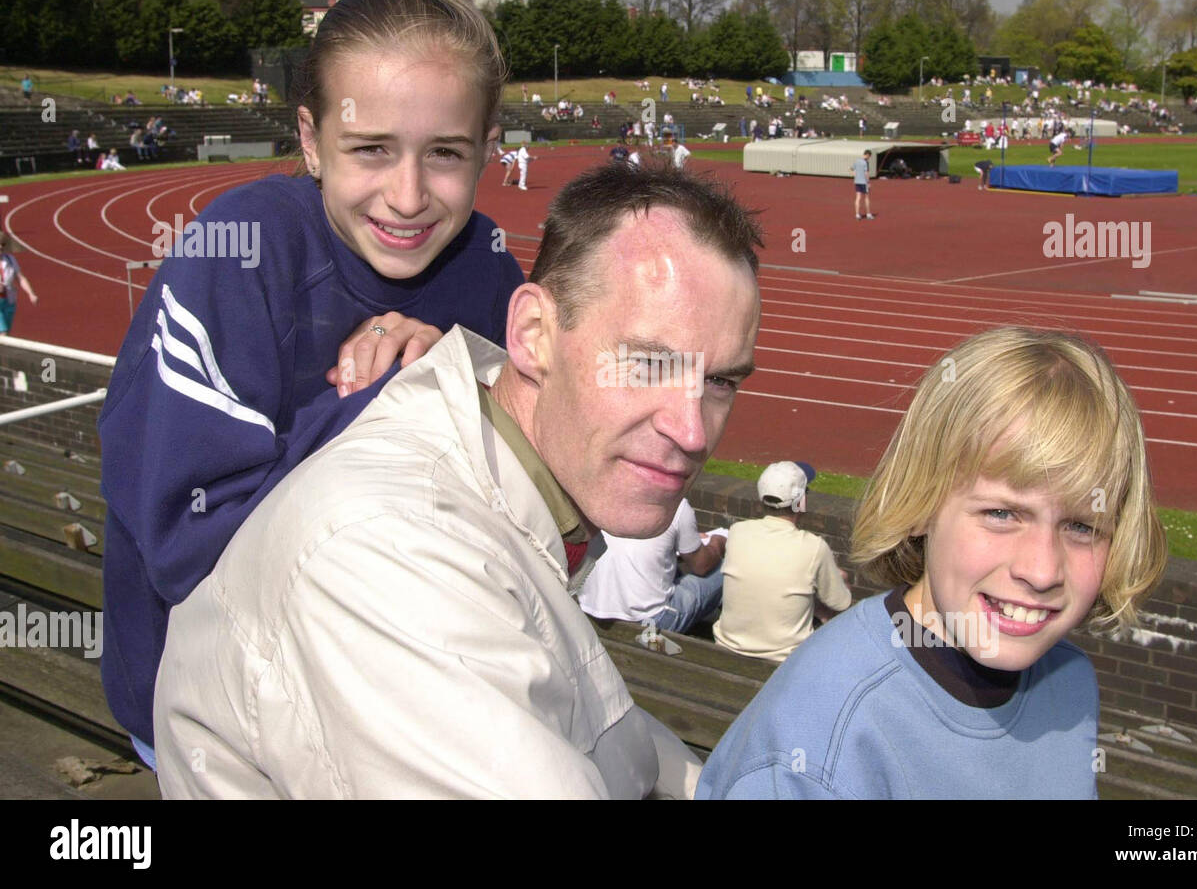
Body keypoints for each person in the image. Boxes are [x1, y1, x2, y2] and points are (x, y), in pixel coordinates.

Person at [152, 162, 764, 798]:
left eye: (721, 381)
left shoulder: (504, 483)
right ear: (532, 336)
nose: (692, 432)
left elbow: (598, 725)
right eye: (648, 363)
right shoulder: (388, 549)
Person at [97, 0, 525, 767]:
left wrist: (466, 365)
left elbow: (530, 493)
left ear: (486, 150)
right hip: (215, 716)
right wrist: (409, 395)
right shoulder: (237, 253)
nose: (407, 197)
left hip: (405, 682)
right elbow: (188, 545)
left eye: (445, 155)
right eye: (371, 149)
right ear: (309, 139)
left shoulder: (489, 269)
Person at [698, 327, 1168, 799]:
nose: (1042, 570)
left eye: (1082, 527)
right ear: (921, 504)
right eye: (1001, 514)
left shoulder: (1069, 681)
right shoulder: (819, 750)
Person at [712, 462, 852, 662]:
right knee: (839, 581)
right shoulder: (814, 547)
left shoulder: (737, 532)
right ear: (800, 502)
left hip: (727, 648)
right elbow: (841, 602)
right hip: (785, 662)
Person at [579, 499, 727, 634]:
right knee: (725, 570)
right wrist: (717, 543)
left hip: (589, 613)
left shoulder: (600, 493)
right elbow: (702, 565)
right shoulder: (674, 504)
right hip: (650, 623)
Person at [0, 233, 38, 334]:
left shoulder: (10, 259)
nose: (1, 247)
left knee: (6, 332)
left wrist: (31, 293)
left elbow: (21, 278)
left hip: (9, 301)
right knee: (3, 332)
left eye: (3, 244)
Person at [851, 150, 874, 219]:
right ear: (867, 155)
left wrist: (855, 175)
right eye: (869, 156)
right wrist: (868, 182)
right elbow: (866, 173)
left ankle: (857, 214)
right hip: (864, 182)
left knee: (858, 198)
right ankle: (868, 214)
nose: (869, 158)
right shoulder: (866, 162)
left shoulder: (857, 161)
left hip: (857, 182)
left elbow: (851, 169)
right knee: (866, 197)